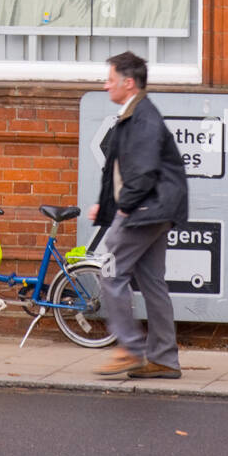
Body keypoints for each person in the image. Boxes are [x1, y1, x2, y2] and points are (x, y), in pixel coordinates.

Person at [88, 50, 188, 379]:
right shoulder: (135, 113)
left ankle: (130, 349)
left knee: (110, 271)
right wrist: (105, 205)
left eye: (110, 80)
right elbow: (121, 170)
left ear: (128, 83)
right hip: (155, 209)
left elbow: (142, 174)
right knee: (152, 283)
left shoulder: (143, 118)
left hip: (144, 210)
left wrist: (124, 208)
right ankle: (163, 359)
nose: (106, 86)